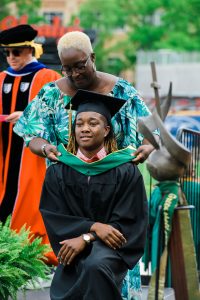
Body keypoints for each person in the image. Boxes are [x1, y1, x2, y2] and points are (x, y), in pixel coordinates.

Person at [13, 31, 159, 296]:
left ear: (92, 57)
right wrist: (46, 148)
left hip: (116, 189)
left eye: (80, 66)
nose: (74, 74)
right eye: (67, 69)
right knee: (78, 263)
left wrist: (147, 145)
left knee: (111, 260)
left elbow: (151, 130)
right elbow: (30, 134)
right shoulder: (51, 95)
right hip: (70, 191)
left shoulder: (122, 90)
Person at [39, 89, 148, 300]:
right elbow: (54, 215)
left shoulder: (125, 170)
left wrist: (88, 236)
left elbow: (131, 219)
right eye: (79, 124)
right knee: (82, 269)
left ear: (106, 130)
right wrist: (93, 227)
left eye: (93, 123)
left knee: (95, 266)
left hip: (110, 249)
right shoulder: (58, 170)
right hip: (71, 244)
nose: (85, 129)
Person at [0, 24, 61, 265]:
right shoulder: (2, 78)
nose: (11, 58)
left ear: (30, 50)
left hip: (31, 155)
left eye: (17, 52)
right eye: (7, 53)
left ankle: (29, 254)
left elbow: (57, 116)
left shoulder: (48, 78)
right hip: (3, 153)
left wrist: (25, 117)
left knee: (29, 200)